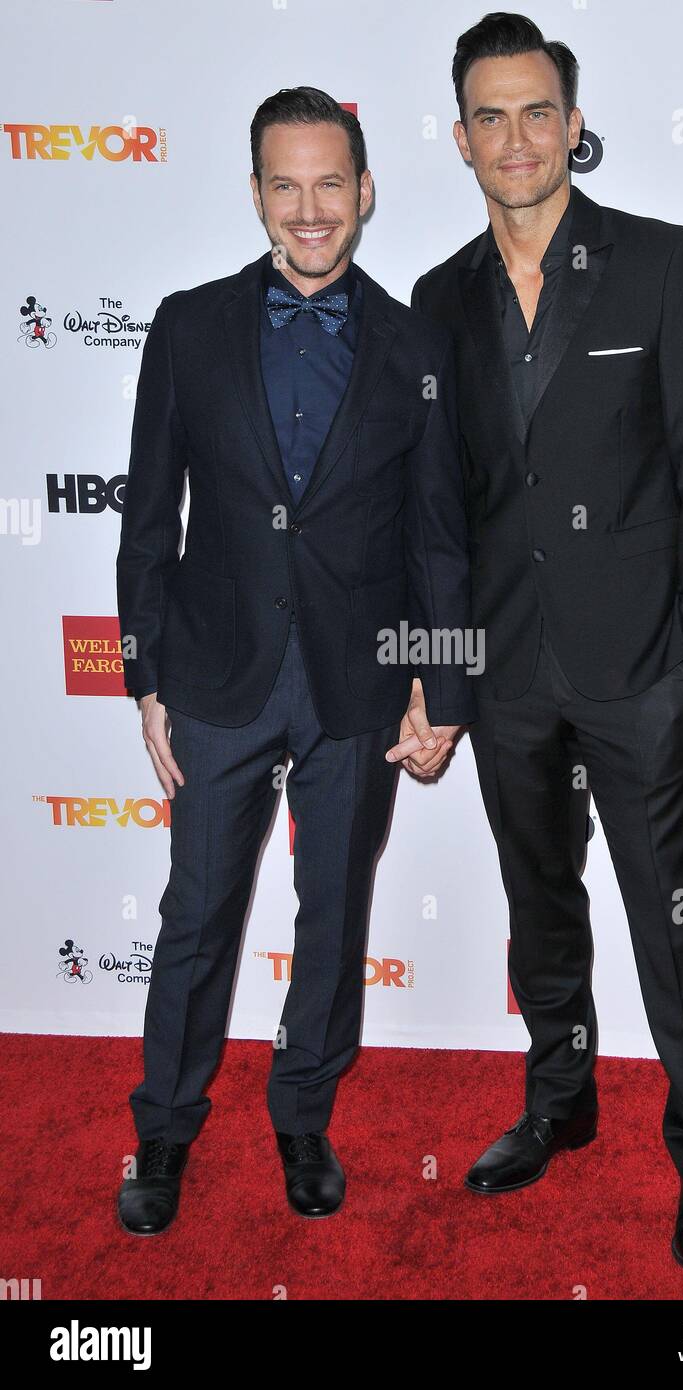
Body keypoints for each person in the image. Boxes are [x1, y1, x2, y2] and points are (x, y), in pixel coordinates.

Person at [412, 12, 683, 1273]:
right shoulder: (437, 298)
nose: (515, 136)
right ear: (459, 137)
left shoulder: (665, 263)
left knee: (673, 921)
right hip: (504, 672)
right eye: (488, 116)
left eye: (535, 110)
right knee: (539, 909)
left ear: (570, 121)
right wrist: (442, 665)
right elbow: (439, 510)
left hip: (643, 668)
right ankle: (558, 1099)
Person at [115, 86, 476, 1236]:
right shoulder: (186, 325)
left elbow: (438, 535)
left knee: (331, 912)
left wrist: (446, 682)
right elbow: (146, 521)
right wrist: (142, 673)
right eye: (286, 183)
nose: (309, 209)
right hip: (218, 673)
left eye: (331, 183)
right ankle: (162, 1127)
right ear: (256, 192)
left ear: (364, 191)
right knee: (196, 916)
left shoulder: (419, 344)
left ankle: (303, 1111)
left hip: (356, 678)